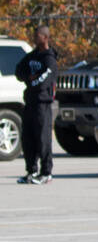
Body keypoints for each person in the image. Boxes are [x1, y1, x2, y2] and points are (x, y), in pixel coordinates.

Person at [15, 25, 58, 184]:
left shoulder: (49, 59)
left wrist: (33, 81)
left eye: (38, 35)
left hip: (43, 104)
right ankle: (31, 171)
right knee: (28, 138)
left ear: (45, 37)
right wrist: (28, 77)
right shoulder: (32, 56)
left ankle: (46, 172)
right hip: (30, 102)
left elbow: (43, 81)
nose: (35, 38)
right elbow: (18, 71)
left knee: (43, 138)